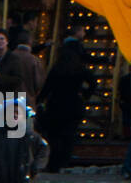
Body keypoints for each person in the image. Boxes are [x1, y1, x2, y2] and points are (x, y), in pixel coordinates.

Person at [38, 32, 94, 172]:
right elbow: (93, 82)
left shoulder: (57, 69)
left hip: (56, 104)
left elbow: (47, 87)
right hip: (74, 104)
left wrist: (39, 100)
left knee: (54, 135)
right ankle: (64, 160)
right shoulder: (80, 69)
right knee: (69, 135)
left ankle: (54, 162)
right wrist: (85, 94)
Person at [0, 28, 46, 109]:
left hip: (7, 101)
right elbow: (39, 84)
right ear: (30, 42)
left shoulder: (7, 57)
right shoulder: (34, 61)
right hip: (27, 103)